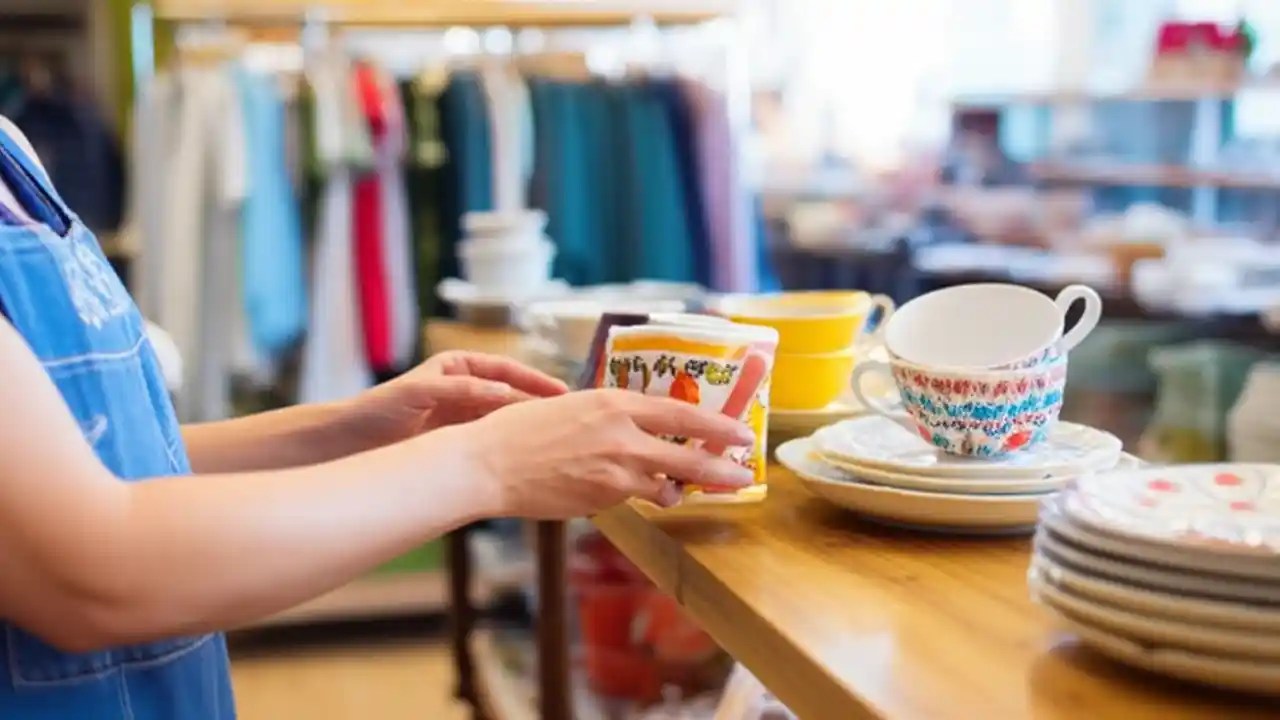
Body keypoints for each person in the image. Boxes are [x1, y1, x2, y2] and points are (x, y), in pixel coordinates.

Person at [0, 117, 754, 719]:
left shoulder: (15, 155)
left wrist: (347, 428)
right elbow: (91, 570)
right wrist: (489, 465)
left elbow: (104, 468)